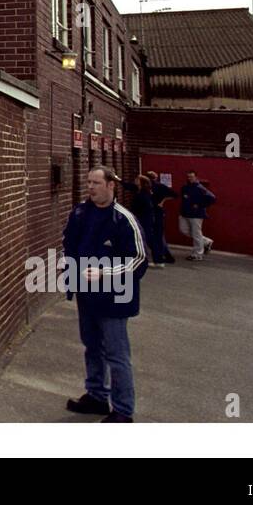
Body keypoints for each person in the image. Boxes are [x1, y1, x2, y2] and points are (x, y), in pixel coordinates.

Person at [62, 166, 147, 423]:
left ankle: (122, 411)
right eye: (88, 182)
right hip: (87, 296)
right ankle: (97, 396)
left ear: (111, 185)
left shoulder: (123, 219)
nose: (90, 187)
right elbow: (70, 245)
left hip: (114, 298)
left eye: (96, 182)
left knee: (116, 354)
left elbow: (139, 259)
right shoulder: (79, 212)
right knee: (91, 347)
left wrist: (106, 273)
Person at [123, 177, 164, 268]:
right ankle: (155, 259)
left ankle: (156, 259)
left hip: (144, 219)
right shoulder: (141, 192)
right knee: (147, 239)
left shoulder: (143, 194)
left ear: (141, 182)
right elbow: (128, 186)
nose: (135, 181)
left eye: (137, 180)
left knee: (147, 239)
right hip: (143, 218)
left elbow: (143, 207)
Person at [179, 171, 217, 261]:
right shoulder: (184, 188)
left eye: (191, 177)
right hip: (184, 213)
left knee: (196, 234)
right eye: (188, 177)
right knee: (183, 230)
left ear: (196, 177)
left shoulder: (200, 188)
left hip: (196, 215)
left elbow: (212, 198)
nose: (189, 178)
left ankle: (197, 254)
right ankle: (206, 241)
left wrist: (199, 205)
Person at [144, 171, 177, 264]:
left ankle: (161, 256)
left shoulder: (158, 186)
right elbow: (174, 194)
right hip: (155, 211)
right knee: (158, 236)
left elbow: (174, 194)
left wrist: (163, 201)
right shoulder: (155, 186)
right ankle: (165, 256)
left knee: (157, 235)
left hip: (156, 212)